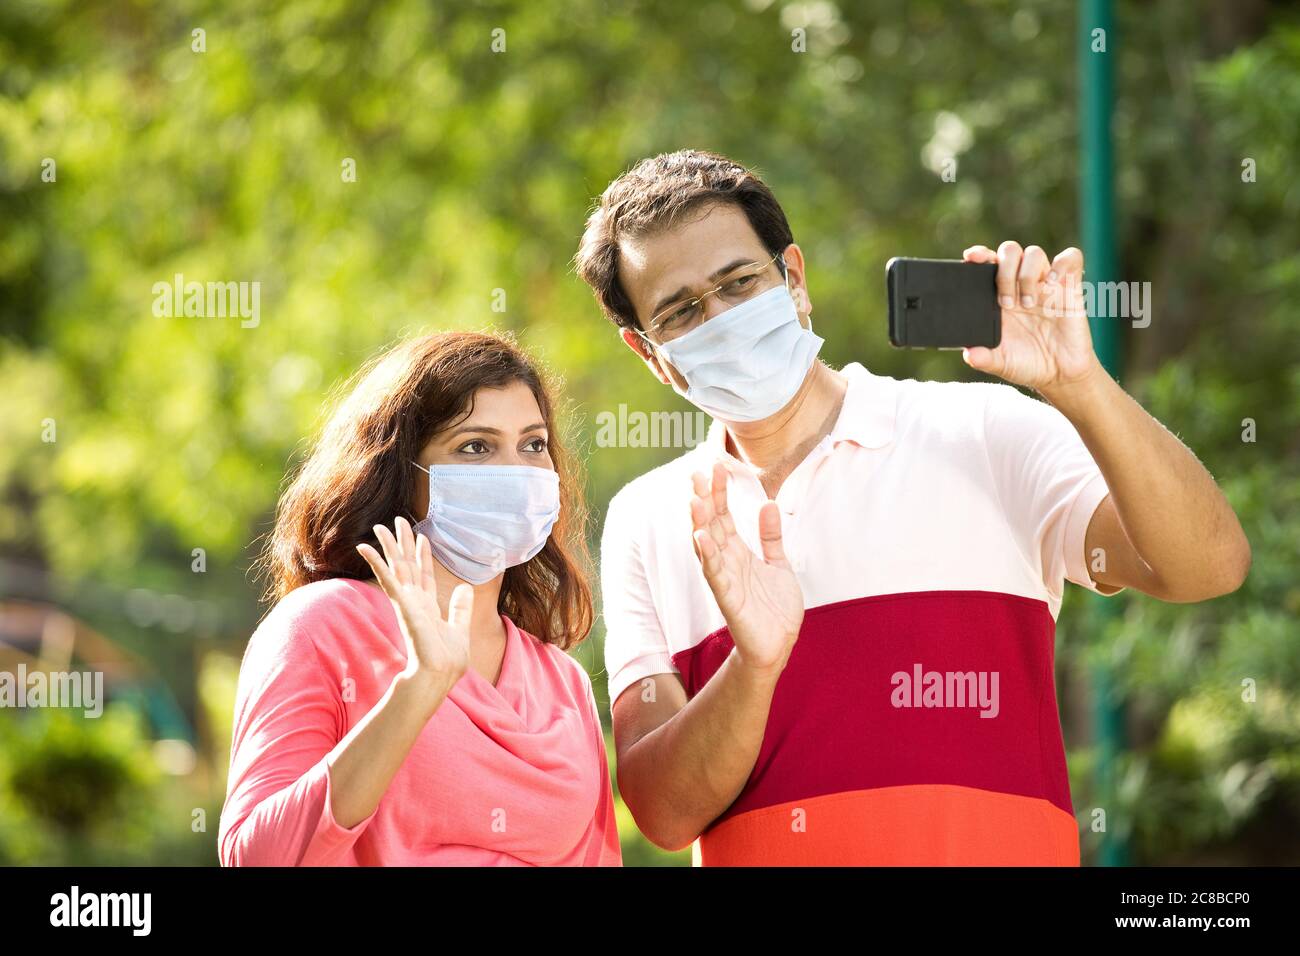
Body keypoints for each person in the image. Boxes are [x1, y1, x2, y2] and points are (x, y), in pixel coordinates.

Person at [575, 148, 1251, 865]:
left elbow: (1206, 566)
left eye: (739, 282)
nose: (720, 318)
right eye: (682, 313)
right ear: (650, 354)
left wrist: (1080, 384)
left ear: (793, 279)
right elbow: (664, 813)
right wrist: (755, 665)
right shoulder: (648, 518)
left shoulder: (987, 430)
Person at [218, 330, 621, 866]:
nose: (517, 472)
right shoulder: (322, 626)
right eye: (475, 447)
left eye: (533, 444)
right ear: (402, 475)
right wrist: (417, 689)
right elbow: (257, 857)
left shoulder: (563, 682)